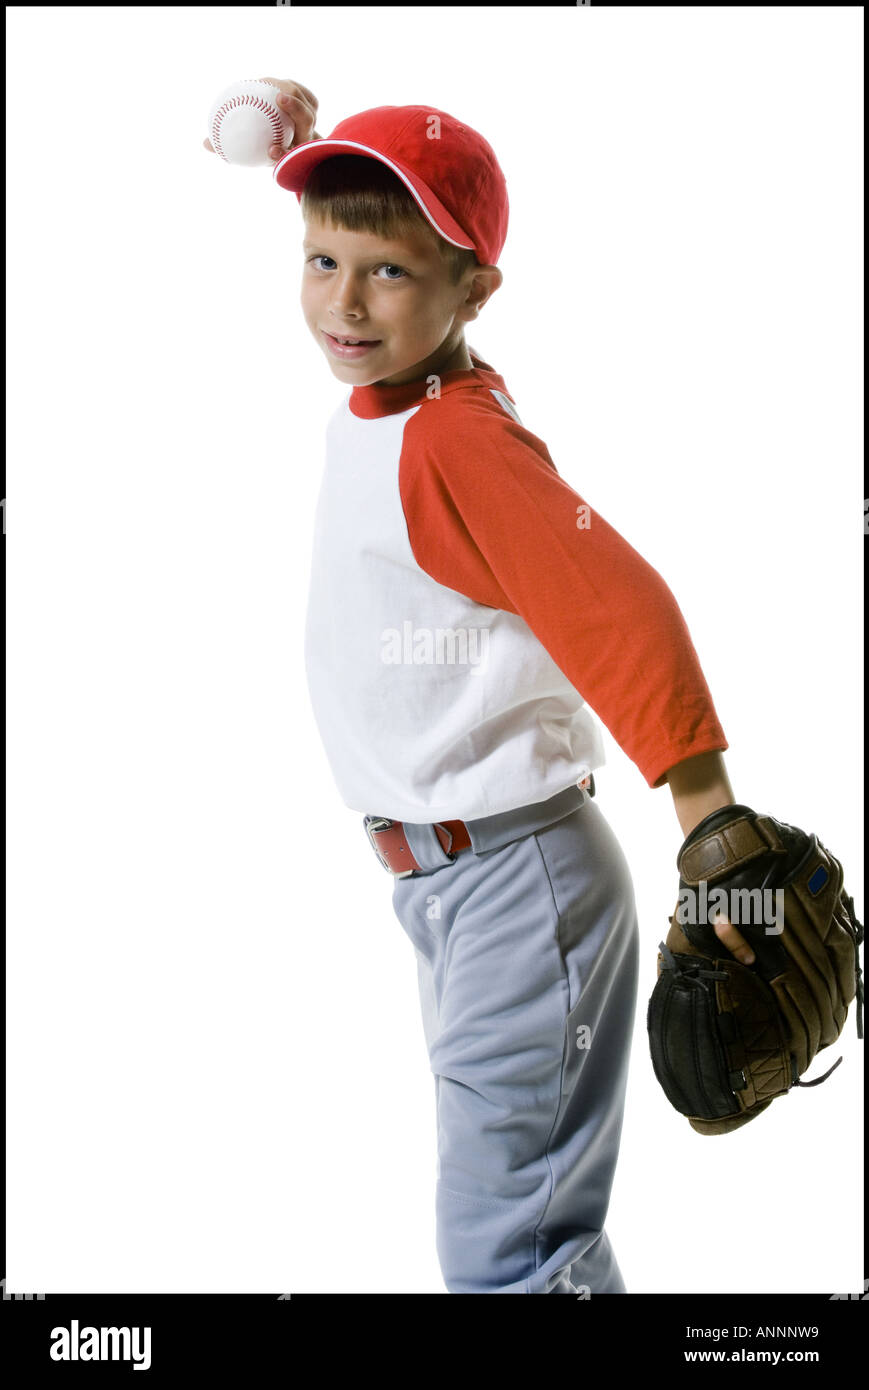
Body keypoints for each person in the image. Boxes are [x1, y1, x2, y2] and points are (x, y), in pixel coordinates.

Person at [206, 79, 757, 1295]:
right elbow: (374, 235)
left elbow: (616, 601)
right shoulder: (393, 404)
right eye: (318, 259)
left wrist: (706, 817)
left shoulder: (455, 437)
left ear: (473, 292)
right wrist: (307, 154)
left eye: (388, 273)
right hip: (458, 888)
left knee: (509, 1248)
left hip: (517, 883)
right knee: (511, 1231)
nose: (342, 302)